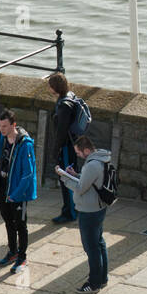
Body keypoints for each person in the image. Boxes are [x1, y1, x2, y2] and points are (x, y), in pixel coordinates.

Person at [55, 134, 112, 293]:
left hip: (90, 211)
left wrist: (65, 179)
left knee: (91, 248)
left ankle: (93, 283)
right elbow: (90, 181)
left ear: (86, 150)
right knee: (99, 243)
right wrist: (75, 175)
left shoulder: (92, 165)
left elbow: (80, 188)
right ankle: (102, 278)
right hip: (98, 208)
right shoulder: (101, 158)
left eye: (79, 153)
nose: (78, 155)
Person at [0, 109, 37, 274]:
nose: (2, 129)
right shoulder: (3, 138)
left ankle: (22, 257)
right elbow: (2, 158)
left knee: (20, 225)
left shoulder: (25, 145)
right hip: (3, 188)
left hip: (17, 192)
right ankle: (12, 252)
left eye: (5, 126)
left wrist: (15, 194)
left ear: (13, 125)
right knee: (8, 222)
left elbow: (28, 174)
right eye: (0, 126)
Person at [48, 72, 79, 225]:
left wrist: (55, 150)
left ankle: (70, 212)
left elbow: (61, 131)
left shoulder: (64, 106)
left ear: (55, 87)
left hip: (66, 147)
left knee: (67, 180)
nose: (49, 89)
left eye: (50, 86)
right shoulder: (69, 96)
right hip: (69, 146)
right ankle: (70, 209)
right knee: (68, 178)